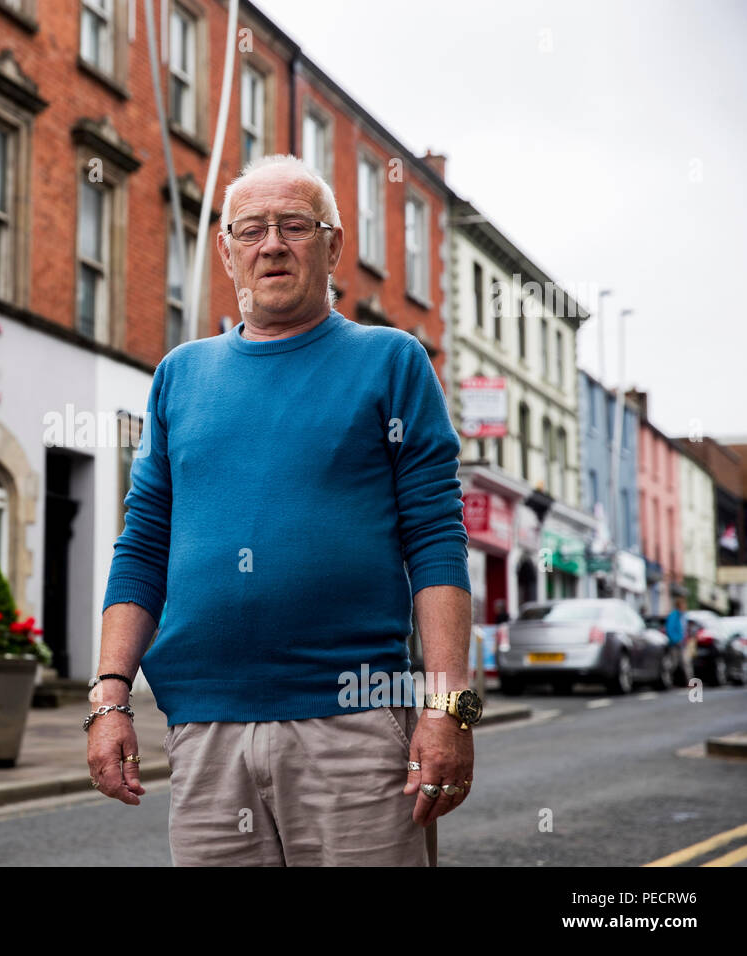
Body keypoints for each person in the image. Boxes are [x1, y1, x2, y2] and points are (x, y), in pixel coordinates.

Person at [88, 154, 478, 866]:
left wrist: (448, 708)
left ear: (332, 247)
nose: (272, 244)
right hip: (204, 729)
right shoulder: (180, 375)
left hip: (357, 720)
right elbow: (142, 545)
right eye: (252, 229)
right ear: (226, 251)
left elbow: (435, 540)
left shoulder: (391, 360)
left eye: (295, 225)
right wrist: (110, 696)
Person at [666, 593, 692, 682]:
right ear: (679, 605)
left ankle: (689, 681)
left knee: (686, 662)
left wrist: (686, 639)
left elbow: (685, 630)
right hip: (675, 643)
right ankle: (668, 678)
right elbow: (670, 629)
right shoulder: (674, 615)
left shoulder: (683, 616)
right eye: (683, 605)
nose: (685, 606)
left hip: (683, 644)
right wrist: (676, 639)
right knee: (674, 663)